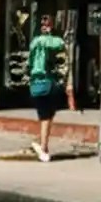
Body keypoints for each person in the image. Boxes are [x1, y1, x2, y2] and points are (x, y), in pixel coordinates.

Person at [28, 15, 74, 163]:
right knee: (47, 115)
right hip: (46, 82)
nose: (45, 26)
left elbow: (29, 64)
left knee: (45, 114)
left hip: (36, 83)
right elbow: (59, 45)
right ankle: (43, 148)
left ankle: (41, 141)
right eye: (45, 24)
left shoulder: (33, 42)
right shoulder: (49, 41)